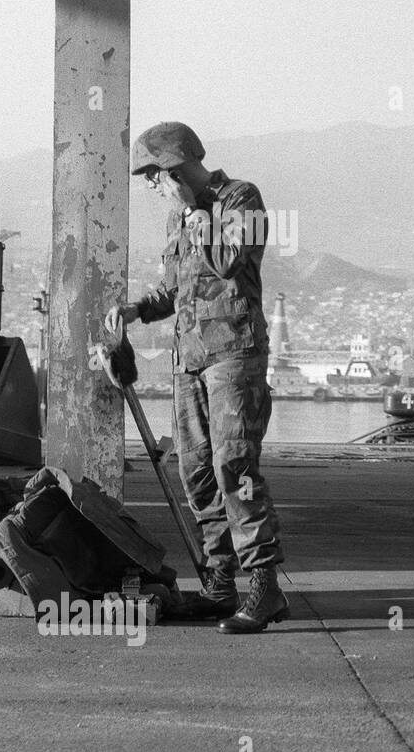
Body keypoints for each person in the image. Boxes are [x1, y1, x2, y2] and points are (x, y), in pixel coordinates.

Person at [105, 122, 289, 633]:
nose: (152, 187)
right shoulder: (177, 218)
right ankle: (220, 585)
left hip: (235, 355)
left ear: (175, 167)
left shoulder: (240, 199)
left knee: (236, 467)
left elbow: (229, 262)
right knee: (199, 474)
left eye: (154, 176)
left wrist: (196, 207)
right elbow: (173, 292)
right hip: (188, 362)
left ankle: (264, 589)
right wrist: (137, 309)